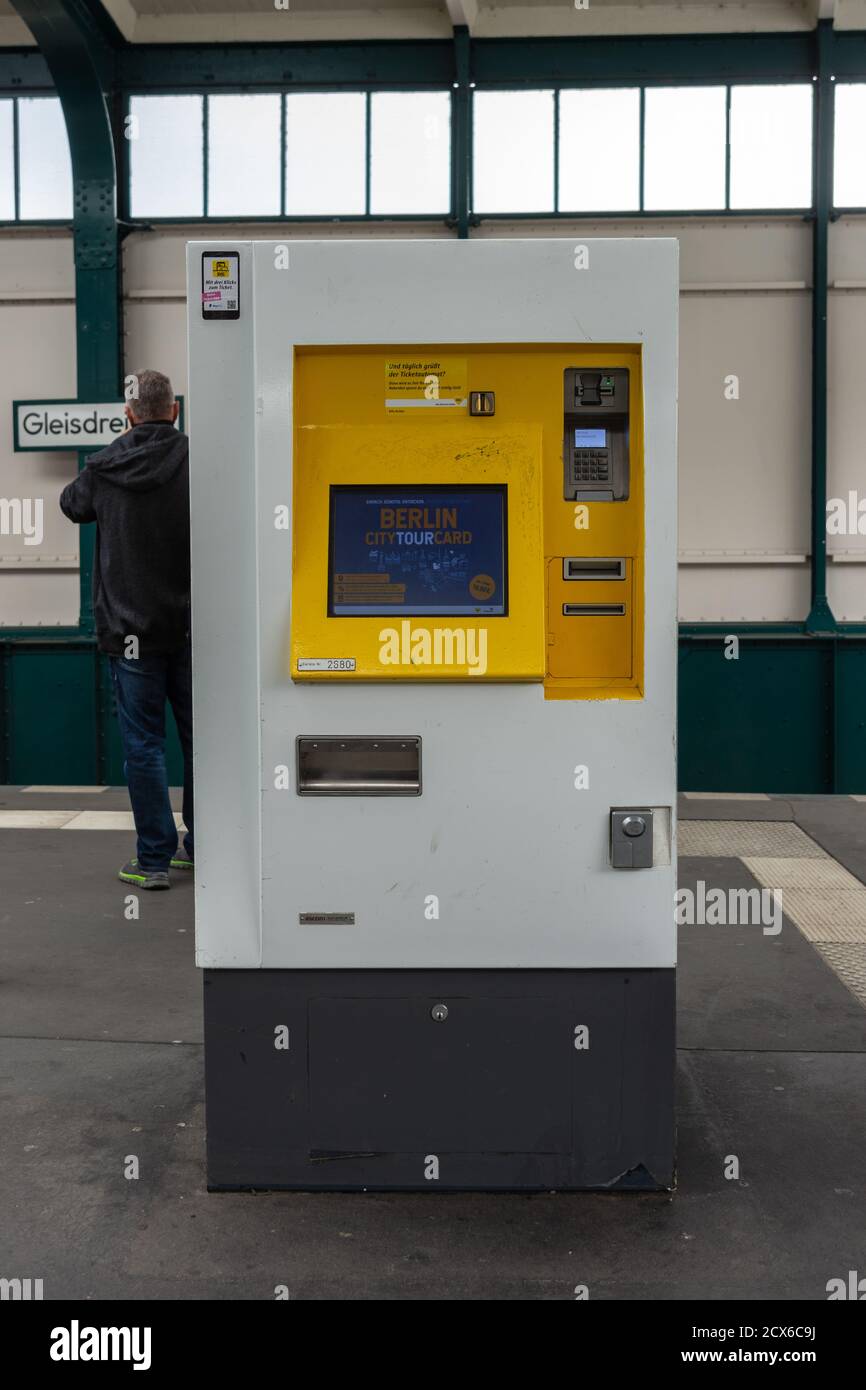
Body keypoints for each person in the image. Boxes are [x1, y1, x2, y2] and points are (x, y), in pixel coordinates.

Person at [60, 369, 193, 890]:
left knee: (144, 745)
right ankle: (201, 845)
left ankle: (154, 860)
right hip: (190, 626)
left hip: (130, 632)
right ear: (175, 410)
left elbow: (72, 505)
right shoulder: (196, 459)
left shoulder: (106, 464)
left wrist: (122, 442)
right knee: (202, 739)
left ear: (128, 413)